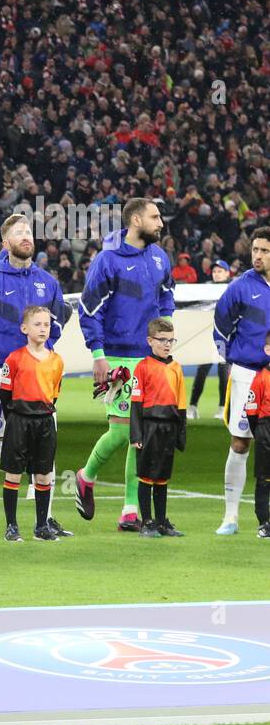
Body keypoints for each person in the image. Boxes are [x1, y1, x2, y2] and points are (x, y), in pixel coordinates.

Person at [0, 214, 69, 539]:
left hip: (38, 374)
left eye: (29, 232)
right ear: (5, 242)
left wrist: (39, 357)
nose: (26, 237)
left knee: (44, 447)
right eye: (19, 233)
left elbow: (58, 325)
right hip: (1, 374)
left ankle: (44, 520)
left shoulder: (48, 283)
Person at [74, 199, 175, 531]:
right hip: (116, 354)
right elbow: (90, 309)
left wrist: (164, 335)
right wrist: (98, 354)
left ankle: (130, 509)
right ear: (135, 220)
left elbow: (166, 297)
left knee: (139, 434)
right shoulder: (108, 260)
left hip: (147, 356)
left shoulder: (160, 258)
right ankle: (86, 476)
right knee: (121, 430)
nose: (160, 223)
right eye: (155, 217)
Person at [210, 237, 270, 534]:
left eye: (264, 251)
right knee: (240, 441)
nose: (257, 256)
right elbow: (221, 327)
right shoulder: (241, 287)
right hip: (247, 373)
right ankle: (230, 517)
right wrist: (230, 362)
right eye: (255, 250)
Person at [0, 305, 64, 542]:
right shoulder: (14, 359)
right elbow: (5, 395)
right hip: (19, 421)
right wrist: (16, 417)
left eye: (46, 324)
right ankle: (12, 526)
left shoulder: (56, 361)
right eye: (37, 324)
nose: (43, 329)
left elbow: (54, 394)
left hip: (45, 422)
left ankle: (41, 526)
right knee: (13, 474)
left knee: (43, 475)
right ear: (24, 328)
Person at [129, 317, 187, 537]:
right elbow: (136, 404)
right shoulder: (142, 368)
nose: (167, 345)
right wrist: (136, 433)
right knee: (146, 475)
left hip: (169, 428)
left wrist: (181, 433)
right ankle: (147, 522)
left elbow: (181, 404)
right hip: (149, 426)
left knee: (162, 476)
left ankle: (162, 522)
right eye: (162, 340)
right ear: (150, 341)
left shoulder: (176, 368)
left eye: (170, 340)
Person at [190, 258, 232, 419]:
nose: (217, 274)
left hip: (224, 338)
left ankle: (223, 407)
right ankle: (193, 406)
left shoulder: (233, 288)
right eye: (214, 271)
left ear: (227, 273)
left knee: (223, 373)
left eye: (220, 271)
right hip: (207, 337)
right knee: (201, 372)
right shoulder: (206, 288)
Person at [239, 333, 270, 538]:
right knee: (264, 478)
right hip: (266, 429)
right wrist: (260, 432)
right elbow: (251, 410)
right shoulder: (260, 378)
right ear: (267, 350)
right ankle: (264, 522)